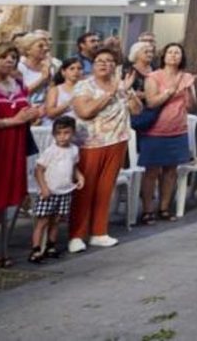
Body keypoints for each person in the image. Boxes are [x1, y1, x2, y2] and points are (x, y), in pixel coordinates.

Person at [0, 43, 43, 269]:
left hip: (13, 147)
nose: (9, 60)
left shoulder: (19, 84)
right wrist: (12, 121)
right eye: (4, 56)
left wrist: (32, 115)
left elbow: (24, 112)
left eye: (13, 56)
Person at [69, 47, 141, 253]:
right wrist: (110, 94)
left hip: (116, 141)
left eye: (109, 61)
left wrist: (128, 92)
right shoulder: (84, 86)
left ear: (115, 65)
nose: (104, 64)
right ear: (93, 64)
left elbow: (137, 111)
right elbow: (85, 112)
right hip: (90, 143)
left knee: (105, 189)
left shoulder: (121, 85)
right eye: (100, 60)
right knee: (85, 189)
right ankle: (76, 234)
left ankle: (99, 232)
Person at [139, 43, 195, 223]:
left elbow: (191, 105)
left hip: (178, 129)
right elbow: (151, 102)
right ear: (163, 56)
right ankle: (147, 210)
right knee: (152, 171)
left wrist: (189, 91)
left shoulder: (186, 77)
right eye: (170, 52)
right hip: (156, 130)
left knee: (171, 171)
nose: (173, 56)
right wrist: (169, 92)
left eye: (177, 52)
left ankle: (164, 207)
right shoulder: (153, 77)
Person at [29, 116, 84, 263]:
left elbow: (73, 166)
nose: (62, 137)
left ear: (73, 134)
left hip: (65, 191)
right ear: (54, 134)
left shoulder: (73, 150)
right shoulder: (51, 151)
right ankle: (35, 249)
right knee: (43, 221)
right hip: (50, 191)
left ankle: (50, 246)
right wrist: (44, 188)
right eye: (59, 133)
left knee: (56, 220)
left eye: (66, 133)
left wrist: (79, 177)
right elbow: (39, 170)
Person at [43, 56, 83, 122]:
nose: (76, 71)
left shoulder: (86, 88)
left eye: (79, 69)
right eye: (72, 69)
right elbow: (50, 113)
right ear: (63, 72)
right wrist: (69, 103)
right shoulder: (55, 90)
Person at [18, 34, 54, 104]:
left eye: (47, 46)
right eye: (40, 46)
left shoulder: (48, 67)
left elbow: (51, 92)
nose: (46, 49)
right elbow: (21, 93)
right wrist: (43, 79)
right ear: (28, 50)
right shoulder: (20, 67)